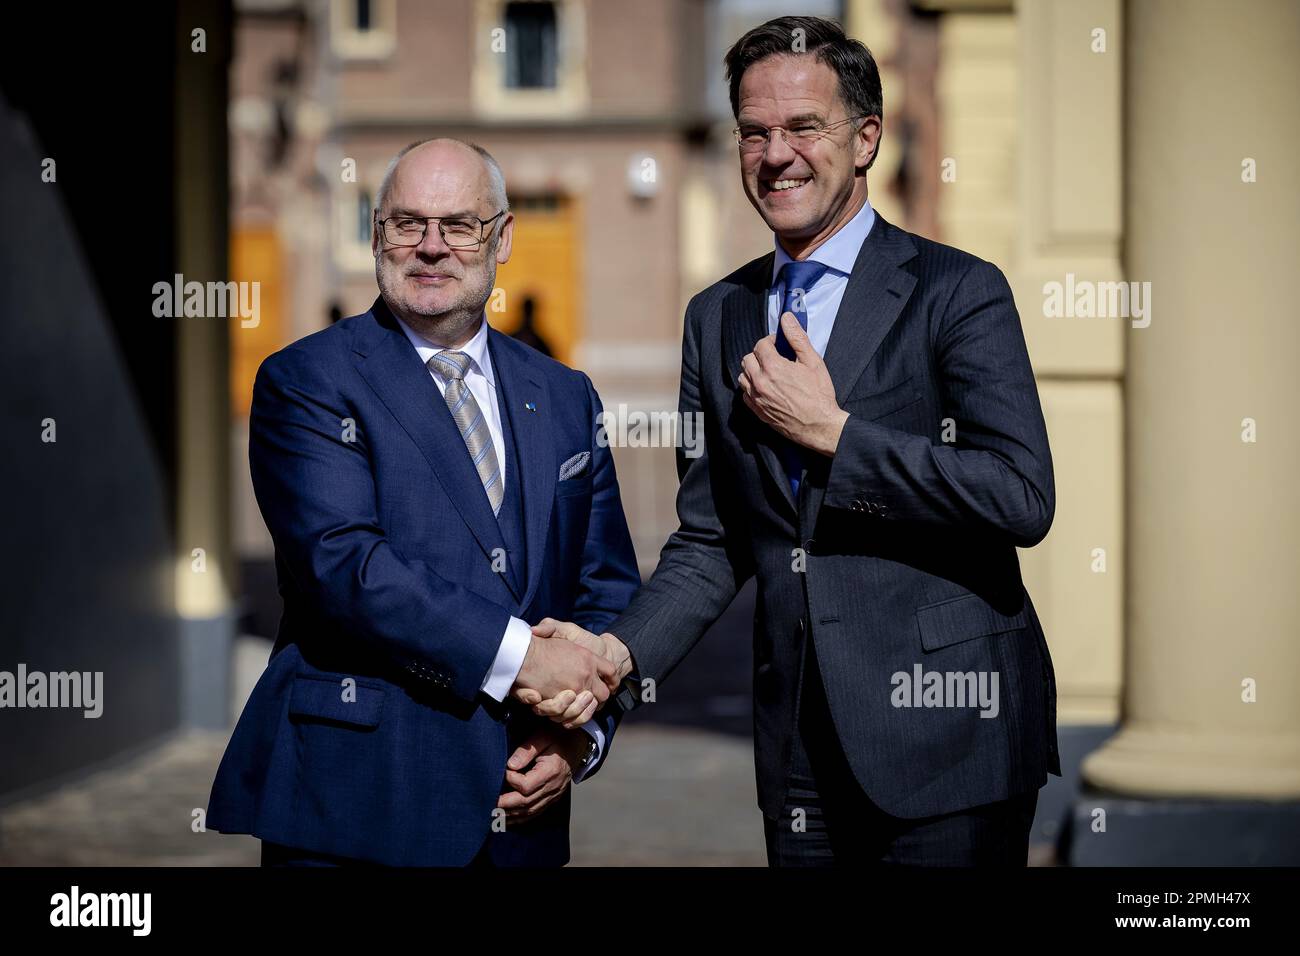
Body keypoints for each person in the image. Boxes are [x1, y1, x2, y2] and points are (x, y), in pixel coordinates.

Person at [527, 16, 1059, 866]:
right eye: (754, 132)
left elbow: (1020, 495)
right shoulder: (718, 317)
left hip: (951, 740)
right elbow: (711, 540)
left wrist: (837, 437)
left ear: (865, 140)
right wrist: (614, 657)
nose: (776, 154)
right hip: (797, 753)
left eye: (805, 127)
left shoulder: (959, 291)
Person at [207, 138, 639, 866]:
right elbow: (343, 566)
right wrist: (525, 661)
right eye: (407, 224)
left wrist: (576, 735)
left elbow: (608, 587)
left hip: (522, 814)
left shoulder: (565, 396)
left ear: (501, 238)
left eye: (459, 225)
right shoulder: (307, 381)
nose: (431, 247)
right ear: (377, 235)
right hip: (360, 805)